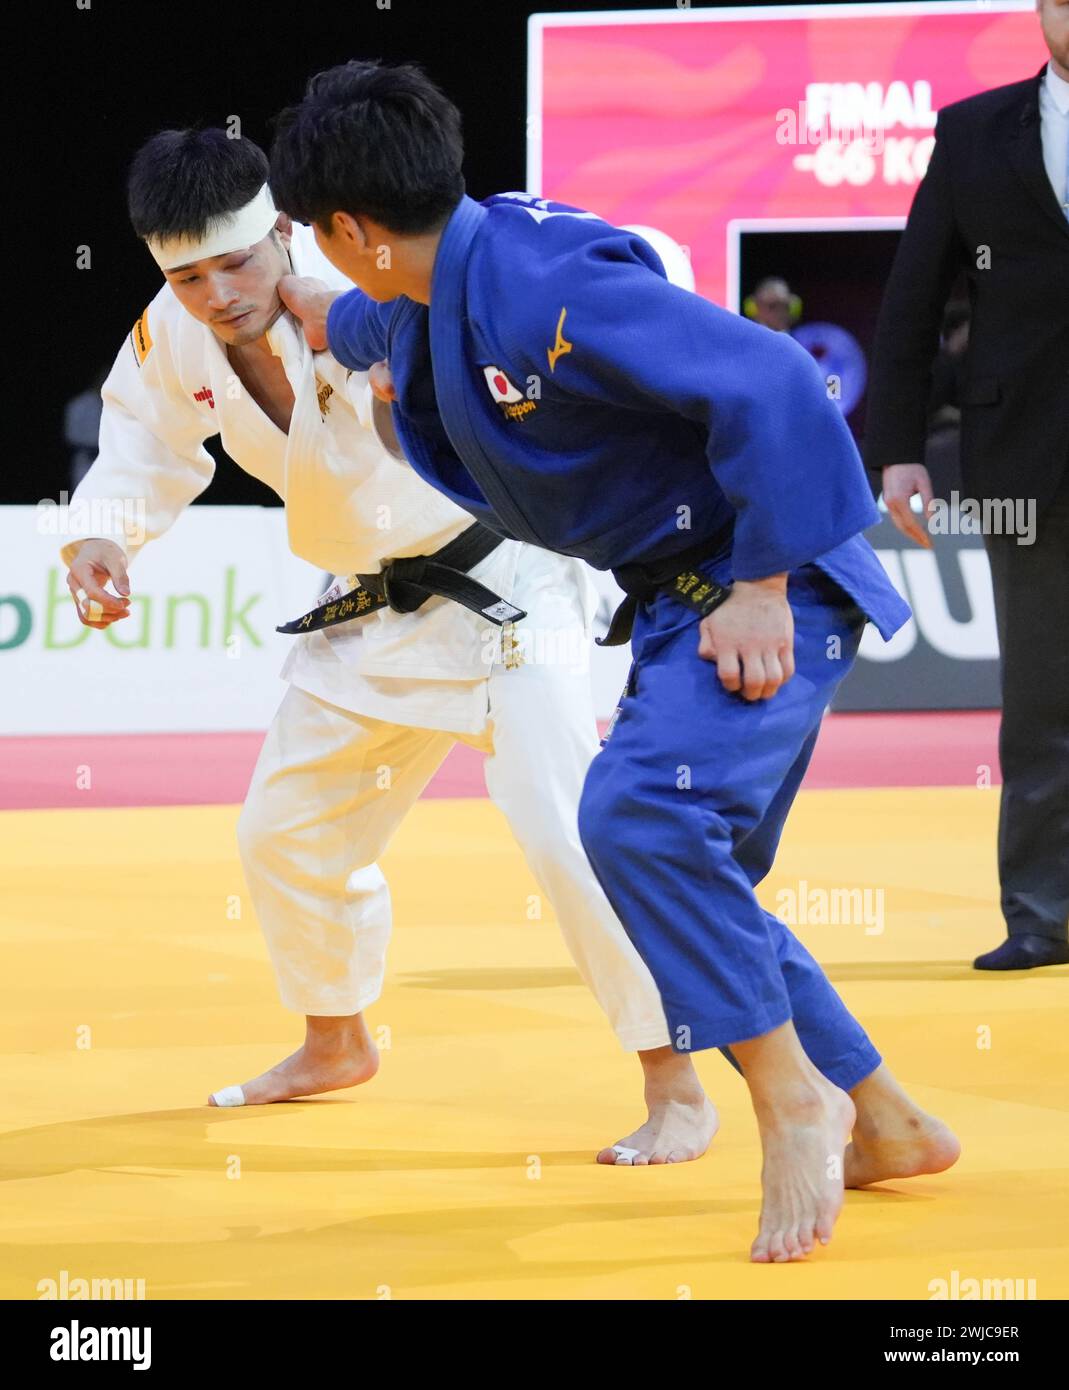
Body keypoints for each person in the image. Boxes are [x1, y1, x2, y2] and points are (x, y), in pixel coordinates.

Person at [269, 60, 961, 1262]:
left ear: (355, 228)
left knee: (640, 821)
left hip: (765, 577)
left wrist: (755, 585)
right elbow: (351, 319)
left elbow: (774, 377)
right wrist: (269, 289)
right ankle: (889, 1119)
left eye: (316, 246)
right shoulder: (434, 289)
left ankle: (792, 1094)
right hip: (677, 597)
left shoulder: (540, 281)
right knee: (689, 871)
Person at [61, 128, 720, 1164]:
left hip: (504, 583)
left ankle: (672, 1077)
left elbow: (601, 262)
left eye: (235, 262)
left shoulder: (378, 277)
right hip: (367, 608)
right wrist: (102, 533)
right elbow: (143, 444)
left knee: (567, 833)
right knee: (284, 833)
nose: (217, 292)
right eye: (187, 275)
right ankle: (336, 1040)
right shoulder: (174, 334)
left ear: (283, 228)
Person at [866, 0, 1069, 971]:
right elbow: (913, 294)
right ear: (1039, 12)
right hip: (1023, 455)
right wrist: (897, 444)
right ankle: (1042, 913)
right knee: (1040, 696)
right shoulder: (972, 130)